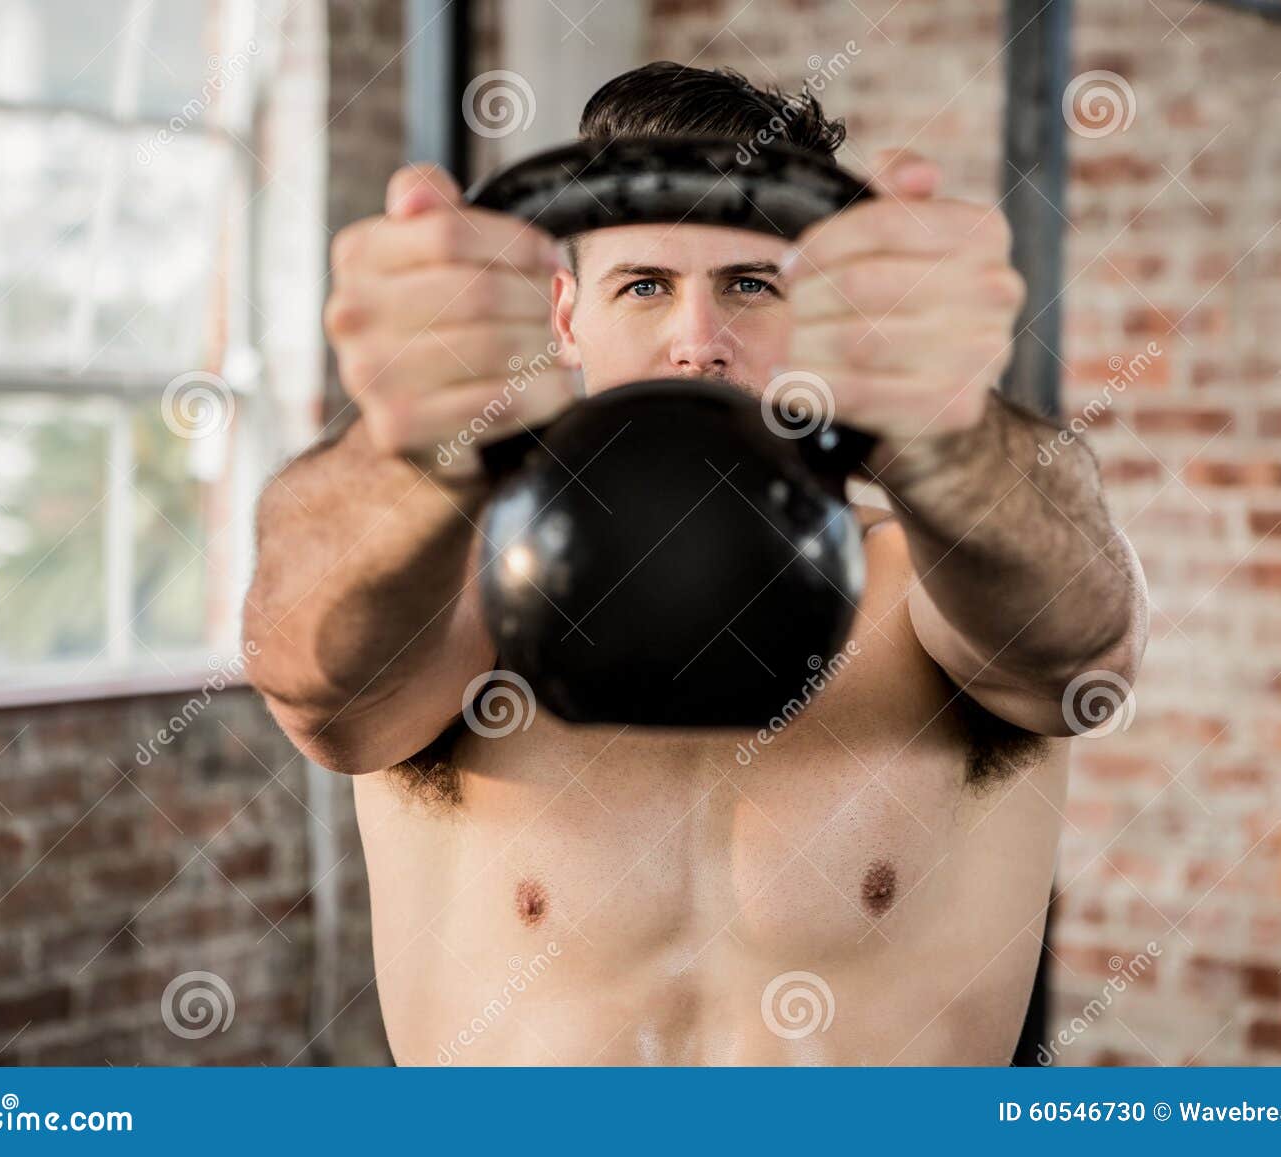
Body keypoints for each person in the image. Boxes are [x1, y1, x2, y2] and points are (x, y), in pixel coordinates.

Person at [243, 61, 1148, 1065]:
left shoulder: (947, 581)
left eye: (750, 285)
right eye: (644, 284)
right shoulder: (452, 587)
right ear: (563, 314)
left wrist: (943, 427)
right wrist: (417, 448)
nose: (697, 342)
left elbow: (1082, 648)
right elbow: (312, 677)